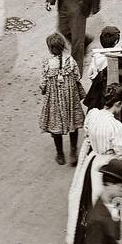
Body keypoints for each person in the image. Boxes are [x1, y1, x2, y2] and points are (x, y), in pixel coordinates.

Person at [68, 82, 122, 244]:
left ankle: (81, 238)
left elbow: (87, 136)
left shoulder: (93, 114)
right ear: (118, 103)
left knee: (86, 201)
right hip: (106, 166)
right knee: (108, 205)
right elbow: (121, 152)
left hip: (92, 161)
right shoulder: (115, 126)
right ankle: (105, 243)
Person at [40, 32, 85, 166]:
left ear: (50, 49)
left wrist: (44, 90)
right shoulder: (70, 61)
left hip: (55, 100)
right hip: (70, 98)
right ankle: (73, 152)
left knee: (55, 125)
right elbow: (77, 76)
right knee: (73, 123)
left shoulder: (47, 63)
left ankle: (60, 154)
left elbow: (42, 82)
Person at [83, 26, 121, 112]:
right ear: (116, 41)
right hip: (110, 90)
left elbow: (90, 74)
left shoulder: (97, 56)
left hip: (97, 90)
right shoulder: (116, 57)